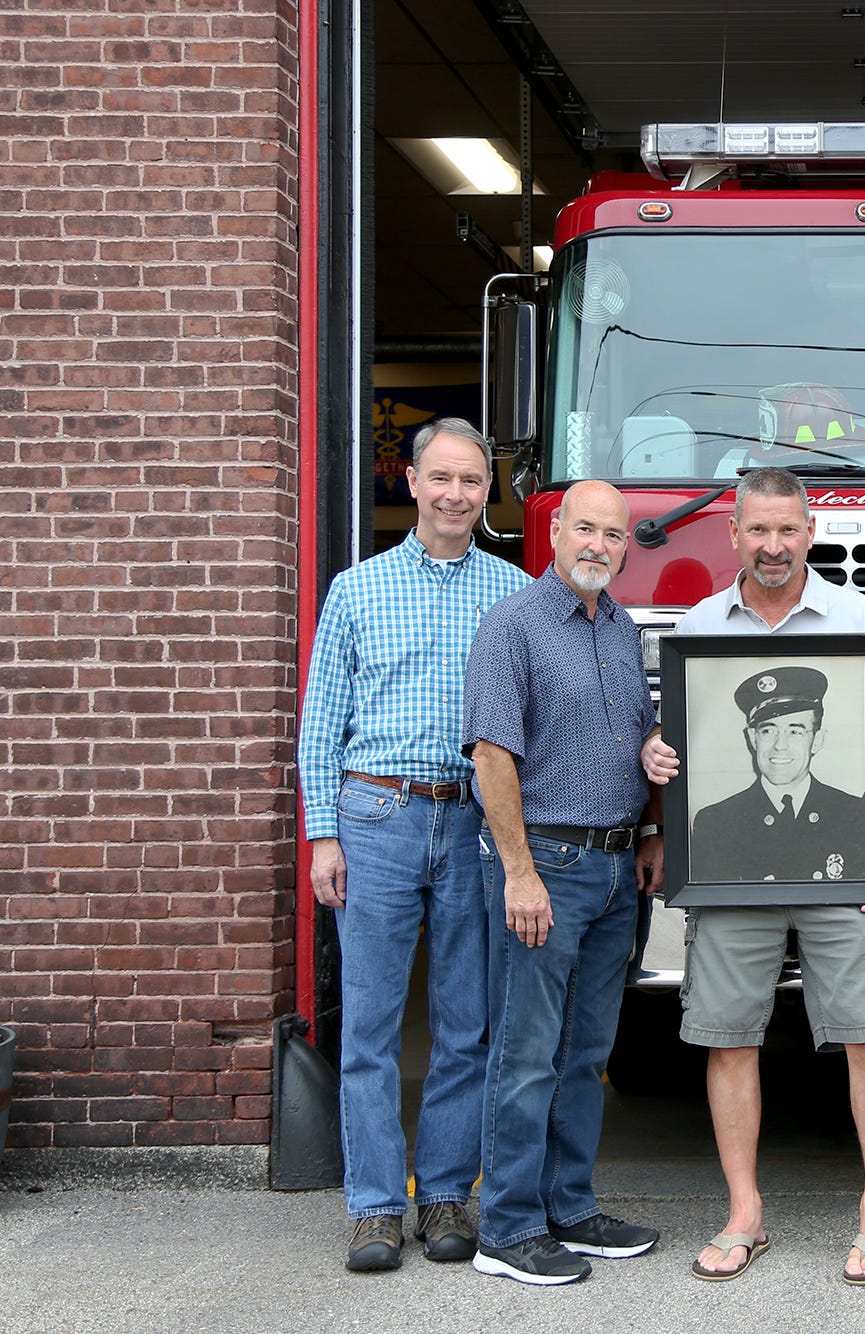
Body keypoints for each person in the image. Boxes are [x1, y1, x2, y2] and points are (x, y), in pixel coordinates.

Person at [641, 466, 865, 1286]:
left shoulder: (862, 619)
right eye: (757, 530)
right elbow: (676, 742)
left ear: (810, 532)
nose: (772, 546)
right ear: (732, 534)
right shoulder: (697, 625)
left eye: (787, 529)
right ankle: (744, 1214)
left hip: (849, 867)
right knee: (727, 1036)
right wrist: (656, 772)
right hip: (726, 874)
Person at [296, 417, 528, 1272]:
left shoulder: (513, 593)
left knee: (466, 1024)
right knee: (370, 1025)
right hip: (376, 817)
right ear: (412, 483)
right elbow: (320, 724)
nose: (455, 494)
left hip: (472, 821)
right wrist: (323, 836)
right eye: (442, 478)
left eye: (471, 480)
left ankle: (444, 1195)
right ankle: (373, 1206)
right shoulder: (356, 590)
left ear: (486, 491)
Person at [460, 479, 666, 1287]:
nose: (598, 546)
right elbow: (491, 756)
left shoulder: (621, 627)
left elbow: (635, 739)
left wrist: (649, 827)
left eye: (613, 535)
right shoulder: (511, 624)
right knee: (526, 1054)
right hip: (544, 865)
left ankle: (569, 1207)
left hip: (614, 868)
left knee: (586, 1055)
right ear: (554, 534)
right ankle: (508, 1227)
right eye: (585, 529)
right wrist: (519, 872)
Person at [690, 665, 865, 883]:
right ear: (753, 738)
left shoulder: (854, 815)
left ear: (817, 740)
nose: (780, 745)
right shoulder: (716, 823)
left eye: (795, 731)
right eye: (768, 730)